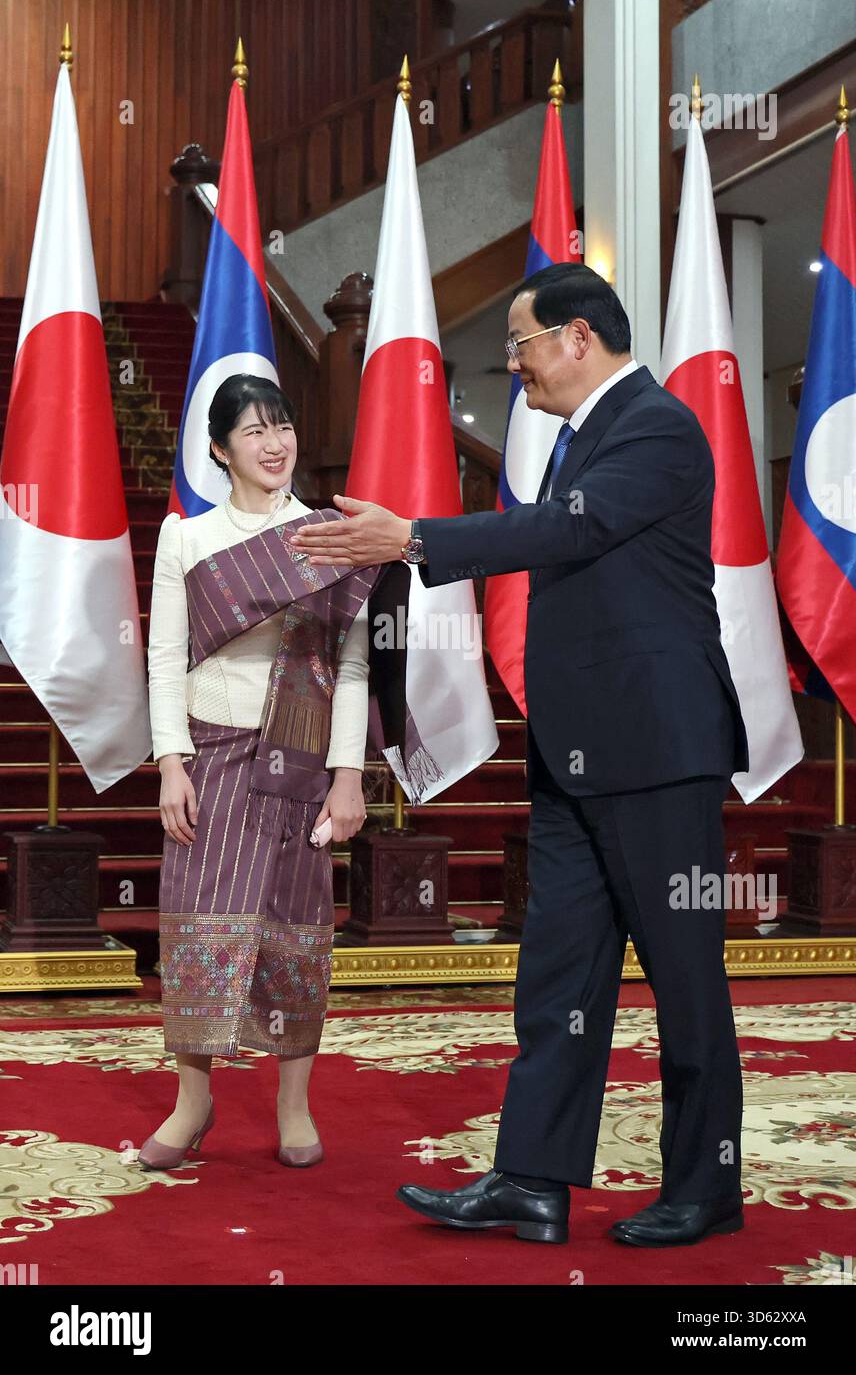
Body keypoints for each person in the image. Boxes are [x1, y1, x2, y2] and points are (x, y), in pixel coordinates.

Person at [291, 263, 750, 1247]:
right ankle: (532, 1181)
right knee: (556, 982)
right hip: (577, 754)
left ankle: (705, 1187)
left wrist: (413, 537)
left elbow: (563, 530)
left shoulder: (657, 427)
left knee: (685, 980)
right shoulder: (582, 438)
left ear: (578, 337)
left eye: (522, 342)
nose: (515, 363)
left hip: (660, 753)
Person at [142, 373, 371, 1172]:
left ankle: (294, 1105)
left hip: (302, 755)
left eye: (283, 427)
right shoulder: (187, 537)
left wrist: (348, 776)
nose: (276, 444)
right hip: (211, 752)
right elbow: (164, 655)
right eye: (254, 432)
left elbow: (350, 664)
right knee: (200, 926)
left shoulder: (326, 533)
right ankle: (193, 1102)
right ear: (218, 448)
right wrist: (171, 762)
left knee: (294, 932)